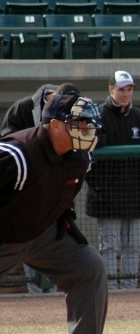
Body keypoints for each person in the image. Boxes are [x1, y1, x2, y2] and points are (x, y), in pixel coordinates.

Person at [0, 91, 128, 334]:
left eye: (89, 124)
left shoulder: (81, 159)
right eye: (80, 124)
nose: (89, 130)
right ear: (55, 125)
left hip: (43, 234)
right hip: (4, 236)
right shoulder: (16, 154)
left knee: (89, 267)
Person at [85, 71, 140, 290]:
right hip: (107, 195)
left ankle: (130, 289)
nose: (126, 94)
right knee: (108, 246)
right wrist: (99, 186)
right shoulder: (96, 115)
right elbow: (87, 153)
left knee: (133, 246)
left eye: (129, 90)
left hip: (136, 194)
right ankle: (108, 288)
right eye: (121, 89)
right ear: (111, 90)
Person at [2, 82, 80, 294]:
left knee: (90, 266)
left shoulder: (78, 157)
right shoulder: (23, 110)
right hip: (11, 214)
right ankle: (34, 290)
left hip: (41, 225)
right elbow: (8, 140)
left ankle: (44, 292)